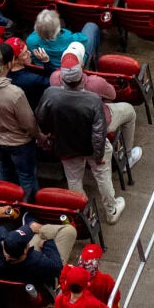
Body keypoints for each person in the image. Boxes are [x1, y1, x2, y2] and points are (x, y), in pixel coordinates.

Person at [38, 51, 124, 225]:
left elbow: (41, 120)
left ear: (62, 78)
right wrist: (99, 156)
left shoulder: (50, 94)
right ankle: (111, 210)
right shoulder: (92, 100)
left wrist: (52, 135)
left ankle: (84, 215)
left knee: (74, 180)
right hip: (91, 148)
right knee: (102, 176)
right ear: (81, 75)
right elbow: (99, 133)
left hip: (66, 146)